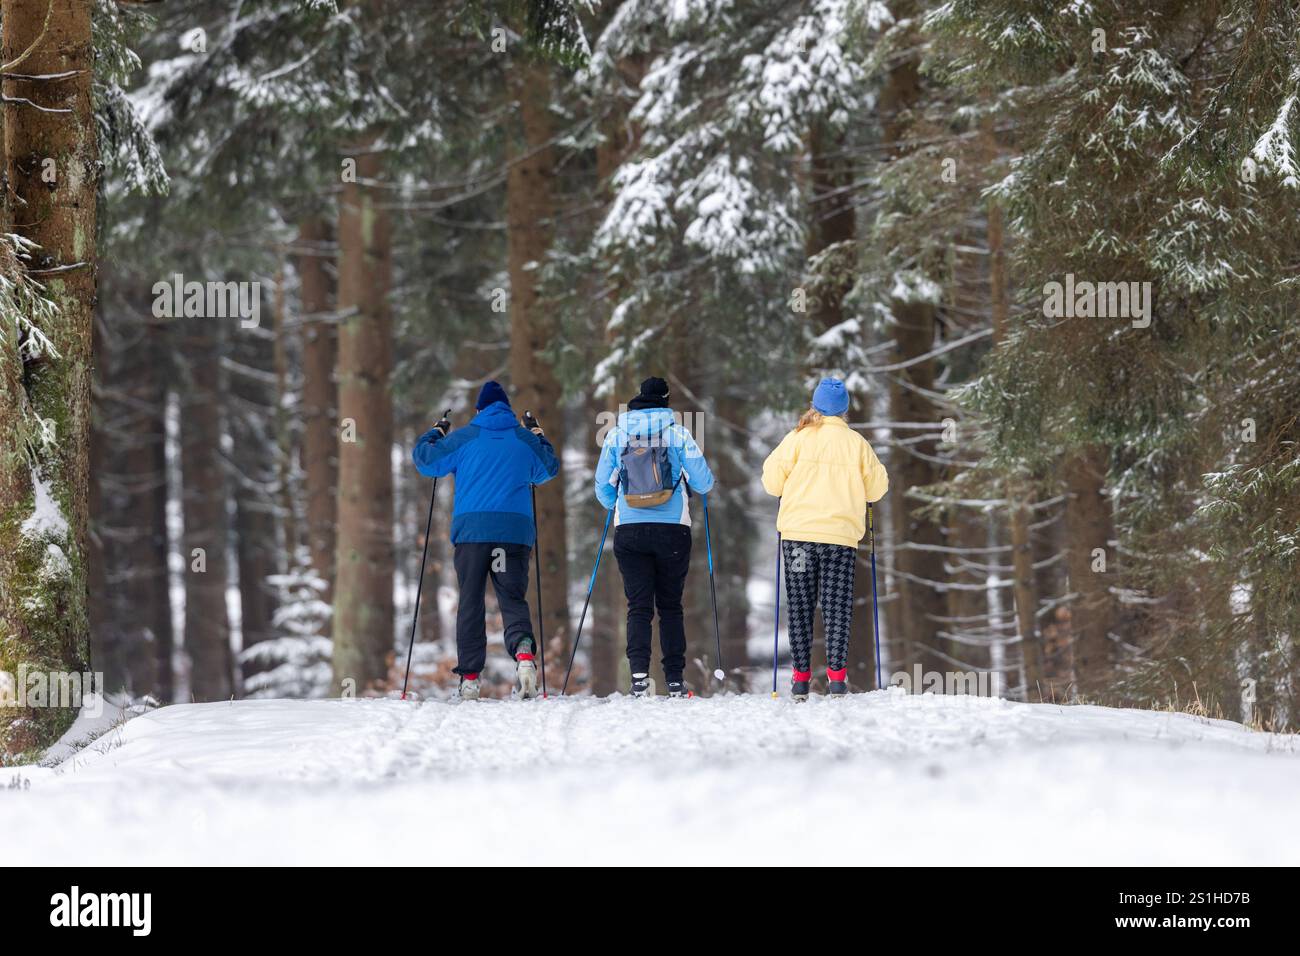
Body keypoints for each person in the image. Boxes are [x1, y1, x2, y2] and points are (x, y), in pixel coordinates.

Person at [412, 381, 559, 700]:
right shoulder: (522, 438)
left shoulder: (465, 437)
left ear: (479, 410)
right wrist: (536, 433)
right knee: (512, 599)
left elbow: (426, 461)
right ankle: (523, 657)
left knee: (471, 601)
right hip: (513, 534)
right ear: (507, 408)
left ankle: (469, 679)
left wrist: (437, 432)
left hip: (473, 534)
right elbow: (549, 468)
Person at [761, 377, 888, 700]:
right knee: (836, 608)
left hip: (798, 538)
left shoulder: (796, 438)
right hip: (839, 539)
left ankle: (801, 680)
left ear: (814, 405)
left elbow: (771, 482)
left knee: (800, 607)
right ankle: (837, 680)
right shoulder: (856, 443)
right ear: (844, 410)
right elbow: (877, 489)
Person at [594, 377, 714, 697]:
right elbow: (703, 483)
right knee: (670, 606)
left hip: (629, 530)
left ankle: (638, 678)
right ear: (665, 400)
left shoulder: (617, 433)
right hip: (672, 529)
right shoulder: (677, 432)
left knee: (638, 606)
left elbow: (602, 486)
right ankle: (674, 679)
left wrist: (618, 504)